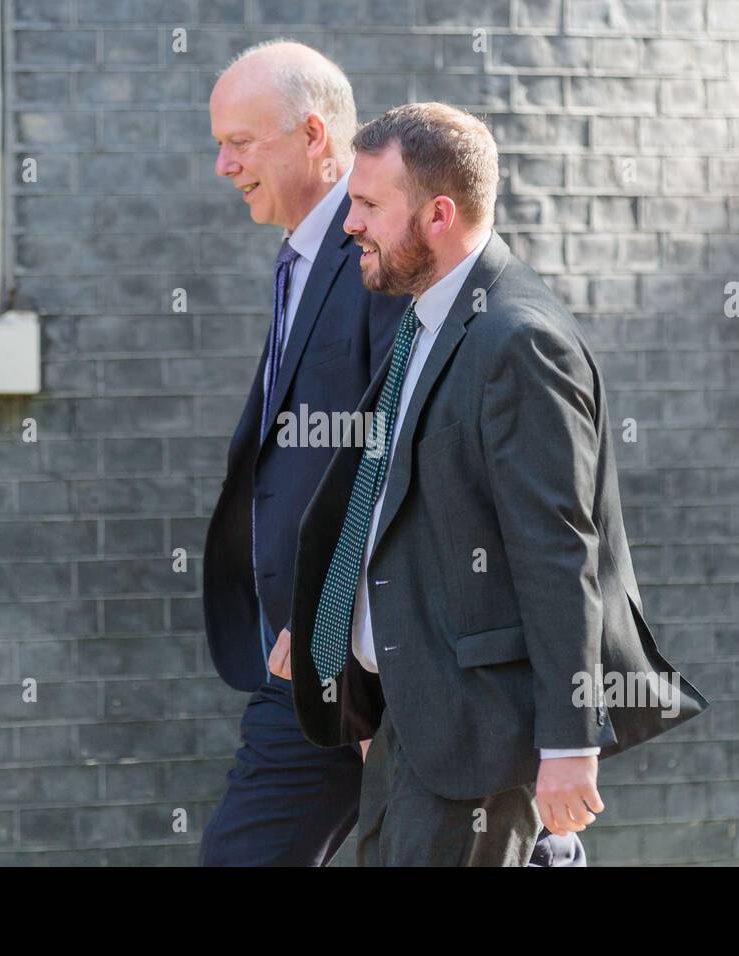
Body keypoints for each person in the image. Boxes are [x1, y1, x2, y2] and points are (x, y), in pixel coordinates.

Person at [275, 102, 710, 866]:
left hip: (479, 734)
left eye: (371, 205)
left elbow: (557, 549)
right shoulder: (426, 324)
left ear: (439, 213)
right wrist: (329, 627)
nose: (351, 225)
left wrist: (570, 741)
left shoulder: (520, 340)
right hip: (412, 719)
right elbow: (387, 502)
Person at [198, 40, 408, 866]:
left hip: (353, 645)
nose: (222, 165)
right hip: (298, 654)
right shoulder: (299, 257)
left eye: (241, 143)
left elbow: (400, 439)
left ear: (315, 135)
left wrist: (335, 603)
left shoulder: (374, 256)